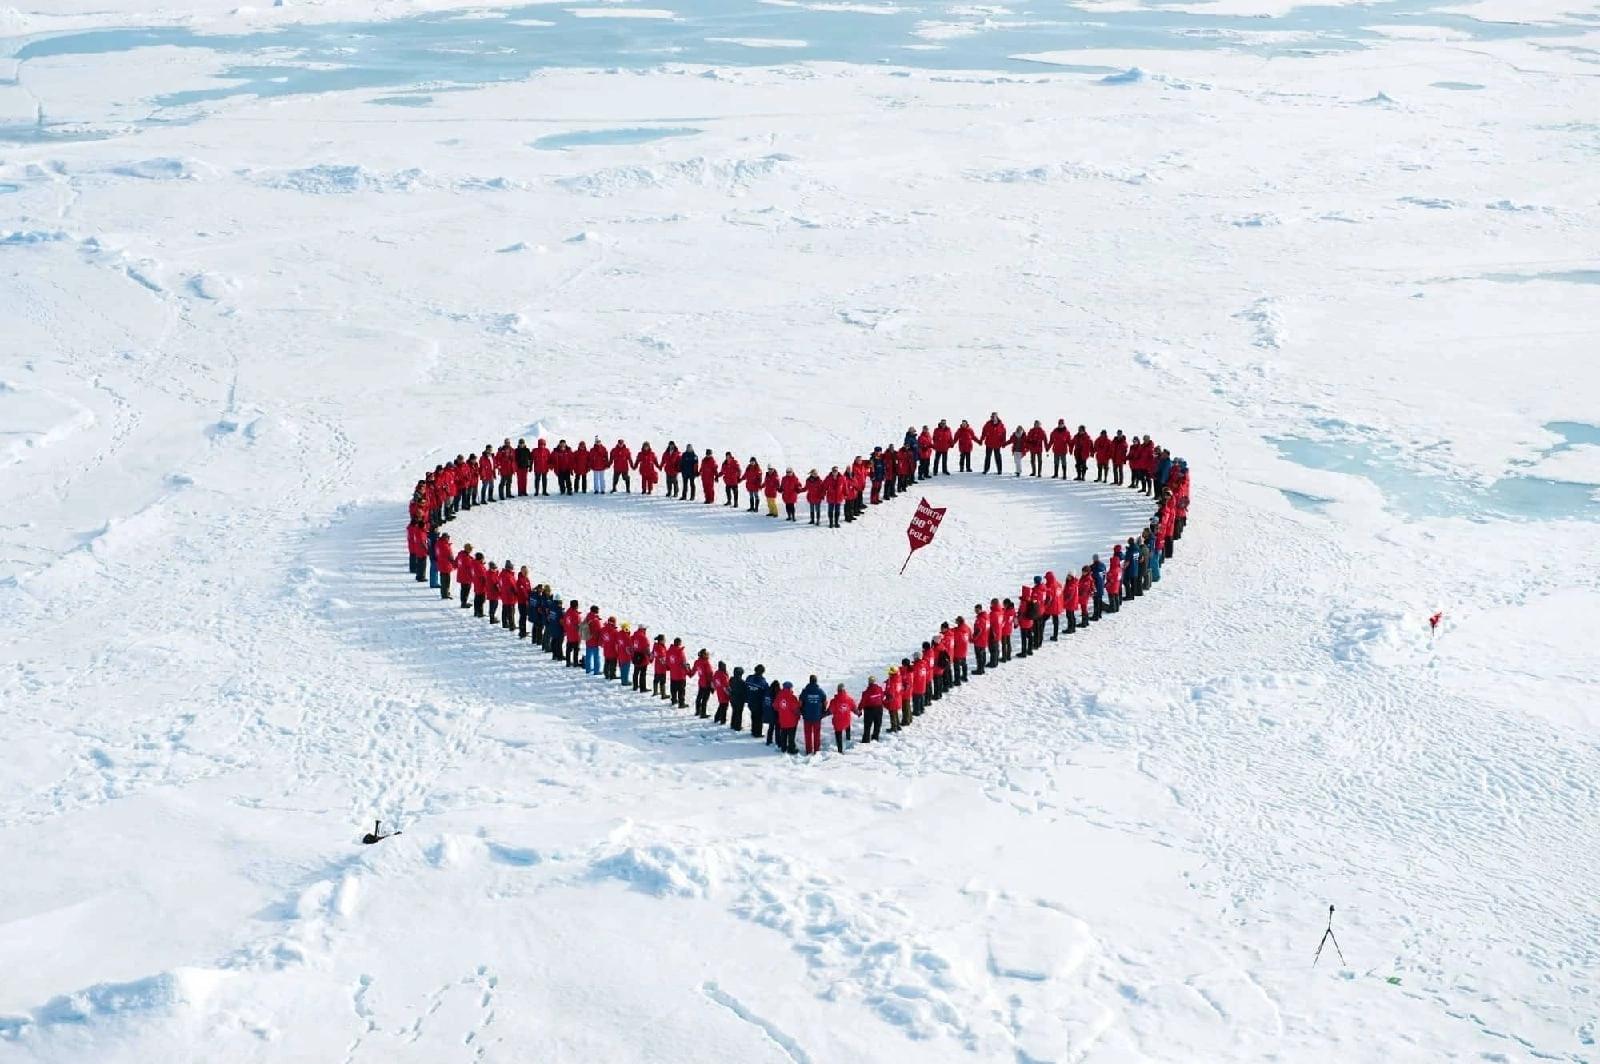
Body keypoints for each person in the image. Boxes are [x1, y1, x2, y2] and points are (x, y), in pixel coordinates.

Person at [799, 676, 827, 755]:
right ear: (816, 681)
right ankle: (816, 750)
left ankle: (808, 750)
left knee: (807, 734)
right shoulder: (820, 691)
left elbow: (800, 702)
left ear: (810, 681)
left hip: (807, 716)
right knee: (817, 734)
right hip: (817, 716)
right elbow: (825, 701)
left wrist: (801, 710)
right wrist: (823, 710)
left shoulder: (805, 691)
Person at [774, 681, 801, 754]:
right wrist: (798, 716)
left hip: (782, 720)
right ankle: (791, 749)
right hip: (792, 721)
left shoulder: (779, 696)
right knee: (791, 736)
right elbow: (796, 709)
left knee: (783, 734)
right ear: (790, 688)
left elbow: (775, 706)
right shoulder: (792, 697)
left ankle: (783, 748)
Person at [829, 684, 857, 752]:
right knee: (847, 724)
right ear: (844, 690)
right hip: (847, 721)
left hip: (838, 722)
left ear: (838, 690)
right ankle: (848, 739)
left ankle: (840, 749)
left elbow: (830, 710)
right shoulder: (849, 699)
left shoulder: (834, 701)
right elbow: (854, 708)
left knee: (838, 733)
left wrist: (822, 715)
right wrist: (858, 713)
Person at [745, 665, 770, 740]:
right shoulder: (763, 682)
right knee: (759, 719)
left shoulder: (749, 678)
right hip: (758, 703)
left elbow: (746, 688)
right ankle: (757, 733)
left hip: (750, 701)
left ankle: (753, 730)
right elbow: (766, 693)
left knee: (753, 716)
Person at [858, 677, 884, 743]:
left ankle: (866, 740)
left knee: (867, 726)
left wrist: (859, 709)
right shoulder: (880, 689)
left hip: (869, 710)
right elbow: (882, 696)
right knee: (877, 724)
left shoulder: (866, 692)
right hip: (879, 708)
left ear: (869, 682)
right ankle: (875, 737)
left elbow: (863, 702)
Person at [667, 638, 689, 709]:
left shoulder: (669, 651)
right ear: (679, 643)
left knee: (673, 689)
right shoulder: (680, 652)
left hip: (673, 674)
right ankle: (681, 703)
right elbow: (684, 663)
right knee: (681, 690)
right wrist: (687, 669)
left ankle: (673, 700)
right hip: (680, 675)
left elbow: (667, 661)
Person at [692, 649, 714, 718]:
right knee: (705, 699)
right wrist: (712, 685)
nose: (708, 655)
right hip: (706, 684)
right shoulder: (706, 663)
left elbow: (693, 670)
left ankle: (697, 711)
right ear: (703, 655)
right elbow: (710, 675)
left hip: (701, 682)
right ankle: (703, 713)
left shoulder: (697, 662)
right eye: (706, 654)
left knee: (699, 697)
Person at [581, 607, 603, 674]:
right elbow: (599, 630)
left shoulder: (587, 617)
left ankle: (588, 669)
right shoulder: (595, 620)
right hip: (594, 640)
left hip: (588, 639)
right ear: (596, 611)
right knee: (596, 657)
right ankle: (596, 671)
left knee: (588, 656)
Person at [630, 625, 651, 692]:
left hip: (635, 656)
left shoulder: (634, 635)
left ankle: (635, 686)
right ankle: (643, 688)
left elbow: (631, 644)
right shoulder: (643, 637)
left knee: (636, 672)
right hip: (643, 658)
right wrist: (649, 656)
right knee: (643, 674)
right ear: (643, 629)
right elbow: (647, 648)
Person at [728, 665, 748, 730]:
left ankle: (733, 724)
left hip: (732, 698)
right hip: (739, 700)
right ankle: (737, 726)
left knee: (734, 712)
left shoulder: (731, 679)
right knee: (739, 713)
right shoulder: (742, 682)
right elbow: (745, 692)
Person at [884, 667, 903, 732]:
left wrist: (886, 700)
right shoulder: (898, 678)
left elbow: (891, 692)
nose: (889, 674)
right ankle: (897, 725)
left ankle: (893, 727)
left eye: (890, 673)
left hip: (893, 700)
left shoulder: (891, 682)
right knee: (895, 713)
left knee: (892, 714)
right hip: (898, 699)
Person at [516, 565, 532, 638]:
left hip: (526, 602)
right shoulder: (520, 580)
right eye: (524, 571)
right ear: (521, 571)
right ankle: (522, 632)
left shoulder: (527, 579)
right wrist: (528, 599)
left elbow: (529, 589)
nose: (526, 573)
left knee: (524, 617)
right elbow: (523, 592)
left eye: (526, 571)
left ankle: (523, 631)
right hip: (522, 602)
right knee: (522, 617)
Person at [1106, 547, 1123, 613]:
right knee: (1116, 596)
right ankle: (1117, 607)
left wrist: (1106, 585)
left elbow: (1110, 580)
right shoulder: (1119, 569)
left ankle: (1112, 608)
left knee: (1111, 598)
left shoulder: (1112, 571)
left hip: (1112, 587)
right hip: (1117, 585)